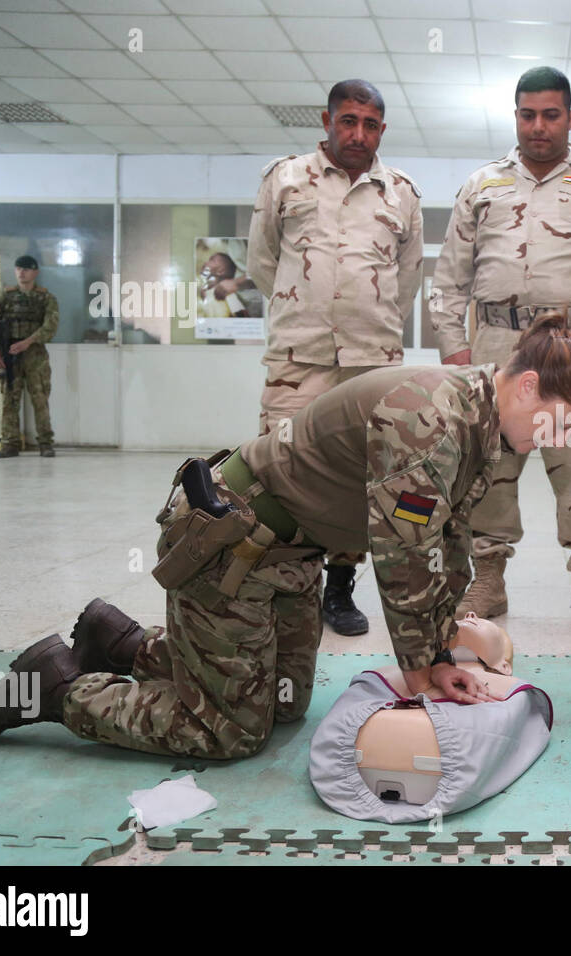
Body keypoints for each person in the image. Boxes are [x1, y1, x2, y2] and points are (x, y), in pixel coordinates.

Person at [0, 315, 571, 761]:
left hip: (288, 555)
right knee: (227, 732)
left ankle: (122, 641)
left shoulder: (482, 429)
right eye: (564, 423)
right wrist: (426, 671)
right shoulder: (433, 418)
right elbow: (402, 557)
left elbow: (445, 549)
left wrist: (444, 647)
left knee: (284, 706)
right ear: (529, 386)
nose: (562, 440)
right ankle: (57, 687)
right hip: (227, 545)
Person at [428, 66, 571, 640]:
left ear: (570, 118)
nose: (539, 126)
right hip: (496, 350)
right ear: (515, 116)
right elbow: (449, 278)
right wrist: (455, 347)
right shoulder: (482, 185)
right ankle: (488, 576)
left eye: (551, 114)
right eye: (528, 114)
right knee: (486, 467)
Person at [247, 78, 424, 638]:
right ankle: (283, 583)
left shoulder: (401, 193)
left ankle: (339, 588)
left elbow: (408, 280)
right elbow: (262, 263)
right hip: (299, 357)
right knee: (277, 466)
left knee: (359, 473)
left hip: (371, 362)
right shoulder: (286, 179)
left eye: (370, 124)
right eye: (348, 121)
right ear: (327, 121)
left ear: (382, 130)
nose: (358, 134)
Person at [0, 254, 59, 458]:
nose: (21, 272)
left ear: (35, 272)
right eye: (18, 268)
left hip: (35, 355)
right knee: (10, 399)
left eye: (26, 269)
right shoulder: (4, 296)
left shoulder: (45, 298)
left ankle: (45, 443)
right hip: (9, 353)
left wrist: (27, 342)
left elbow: (50, 327)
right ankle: (10, 443)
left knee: (40, 399)